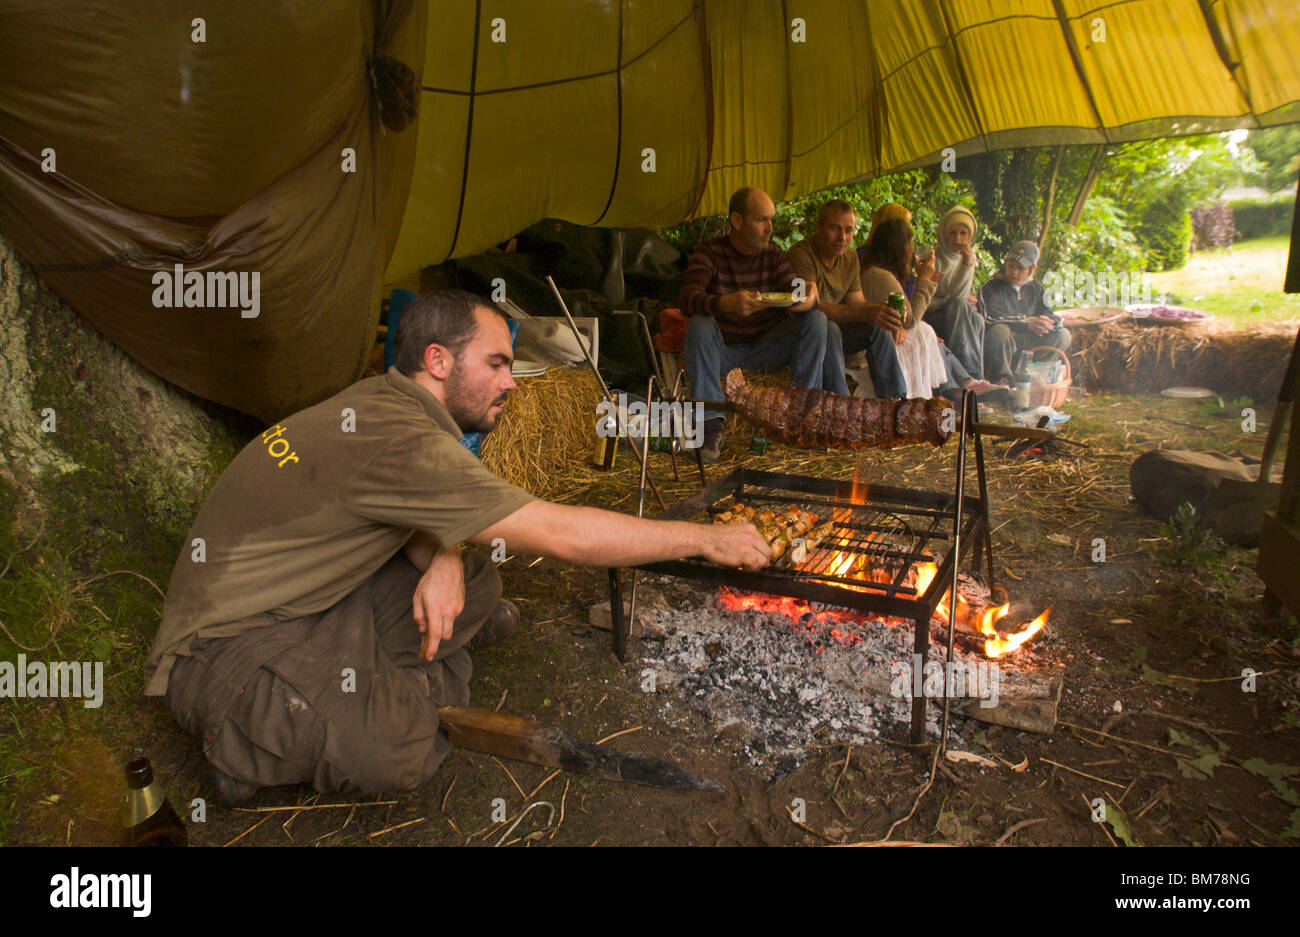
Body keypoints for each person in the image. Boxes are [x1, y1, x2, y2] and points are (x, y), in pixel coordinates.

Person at [146, 289, 771, 803]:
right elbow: (567, 534)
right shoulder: (405, 441)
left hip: (314, 600)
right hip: (225, 649)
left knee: (474, 578)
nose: (513, 383)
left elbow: (410, 504)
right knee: (402, 750)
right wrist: (706, 539)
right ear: (440, 362)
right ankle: (247, 746)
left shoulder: (386, 402)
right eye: (497, 363)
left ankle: (373, 682)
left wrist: (445, 552)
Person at [680, 186, 828, 462]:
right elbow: (687, 300)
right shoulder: (709, 252)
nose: (770, 227)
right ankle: (710, 424)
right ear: (737, 221)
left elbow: (795, 288)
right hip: (722, 352)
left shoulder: (773, 255)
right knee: (699, 325)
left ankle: (801, 419)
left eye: (771, 219)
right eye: (762, 220)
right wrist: (725, 304)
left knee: (817, 320)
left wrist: (809, 292)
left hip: (765, 350)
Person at [860, 218, 994, 400]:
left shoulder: (884, 273)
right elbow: (910, 320)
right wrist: (924, 280)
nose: (912, 250)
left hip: (902, 330)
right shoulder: (880, 276)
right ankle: (958, 390)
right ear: (898, 247)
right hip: (887, 340)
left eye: (963, 233)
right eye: (909, 244)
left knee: (943, 327)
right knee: (924, 331)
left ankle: (965, 383)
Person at [785, 198, 907, 398]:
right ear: (819, 227)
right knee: (828, 326)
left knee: (878, 325)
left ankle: (896, 402)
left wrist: (882, 314)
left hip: (837, 334)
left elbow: (856, 304)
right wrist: (869, 311)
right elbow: (808, 307)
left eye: (848, 230)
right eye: (835, 228)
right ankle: (841, 400)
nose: (842, 237)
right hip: (805, 336)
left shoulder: (850, 258)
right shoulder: (801, 255)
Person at [978, 240, 1071, 386]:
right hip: (1003, 343)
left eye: (1020, 268)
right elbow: (988, 319)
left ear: (1032, 269)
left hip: (1029, 343)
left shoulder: (1036, 288)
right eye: (1011, 266)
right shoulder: (991, 286)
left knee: (1063, 335)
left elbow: (1049, 313)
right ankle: (1003, 381)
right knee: (1000, 331)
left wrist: (1048, 323)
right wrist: (1026, 323)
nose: (1014, 272)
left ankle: (1036, 376)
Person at [924, 206, 986, 381]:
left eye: (963, 233)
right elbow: (929, 298)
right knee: (960, 305)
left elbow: (959, 295)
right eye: (952, 233)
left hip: (956, 312)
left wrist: (967, 265)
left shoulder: (968, 258)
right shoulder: (932, 258)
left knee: (978, 319)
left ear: (970, 236)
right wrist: (946, 300)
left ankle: (973, 377)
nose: (958, 239)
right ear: (944, 235)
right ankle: (971, 374)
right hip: (933, 314)